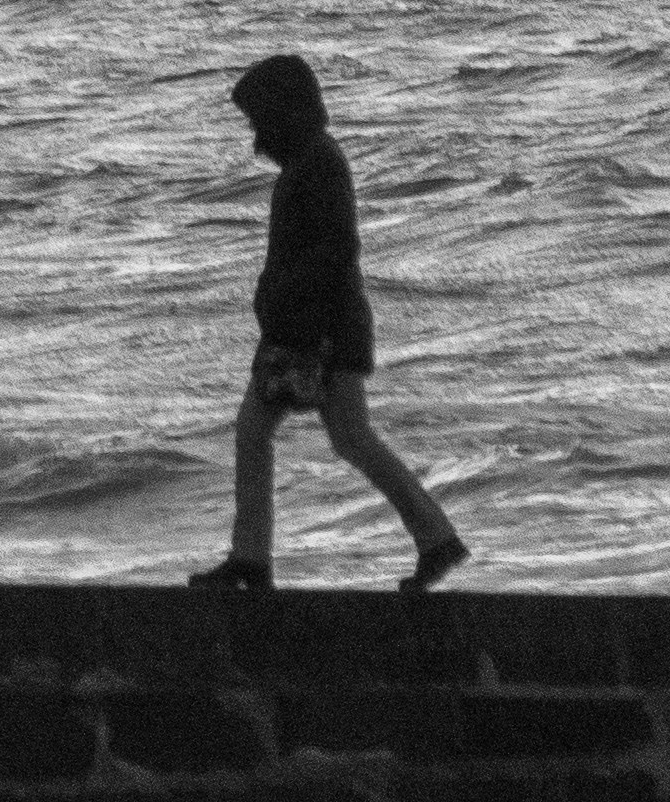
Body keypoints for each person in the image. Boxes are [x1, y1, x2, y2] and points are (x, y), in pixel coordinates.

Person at [191, 49, 465, 593]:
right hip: (316, 327)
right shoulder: (311, 161)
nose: (255, 138)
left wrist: (292, 313)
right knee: (335, 435)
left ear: (284, 114)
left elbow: (336, 250)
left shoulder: (318, 164)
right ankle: (434, 538)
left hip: (316, 331)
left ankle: (254, 559)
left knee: (275, 431)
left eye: (259, 122)